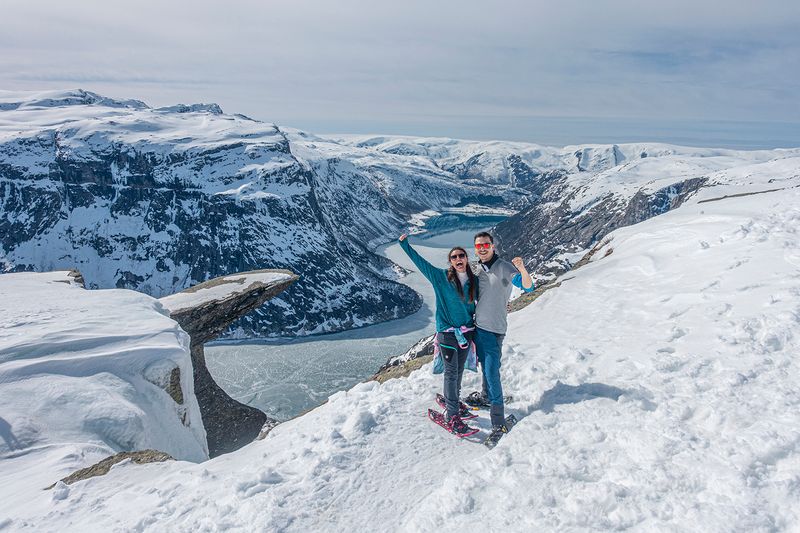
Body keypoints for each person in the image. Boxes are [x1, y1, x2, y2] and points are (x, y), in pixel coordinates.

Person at [398, 234, 479, 436]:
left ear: (466, 258)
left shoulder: (474, 282)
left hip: (467, 334)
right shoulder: (440, 277)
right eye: (454, 257)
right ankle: (452, 416)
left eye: (461, 255)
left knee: (458, 371)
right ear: (450, 262)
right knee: (452, 373)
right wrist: (404, 244)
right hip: (448, 335)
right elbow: (420, 263)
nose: (458, 259)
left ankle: (454, 401)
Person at [468, 231, 534, 446]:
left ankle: (498, 421)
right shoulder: (477, 269)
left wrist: (522, 268)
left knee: (491, 370)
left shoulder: (505, 267)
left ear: (493, 246)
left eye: (486, 245)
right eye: (478, 246)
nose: (482, 248)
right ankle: (487, 396)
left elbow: (528, 287)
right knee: (485, 365)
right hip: (479, 327)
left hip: (494, 329)